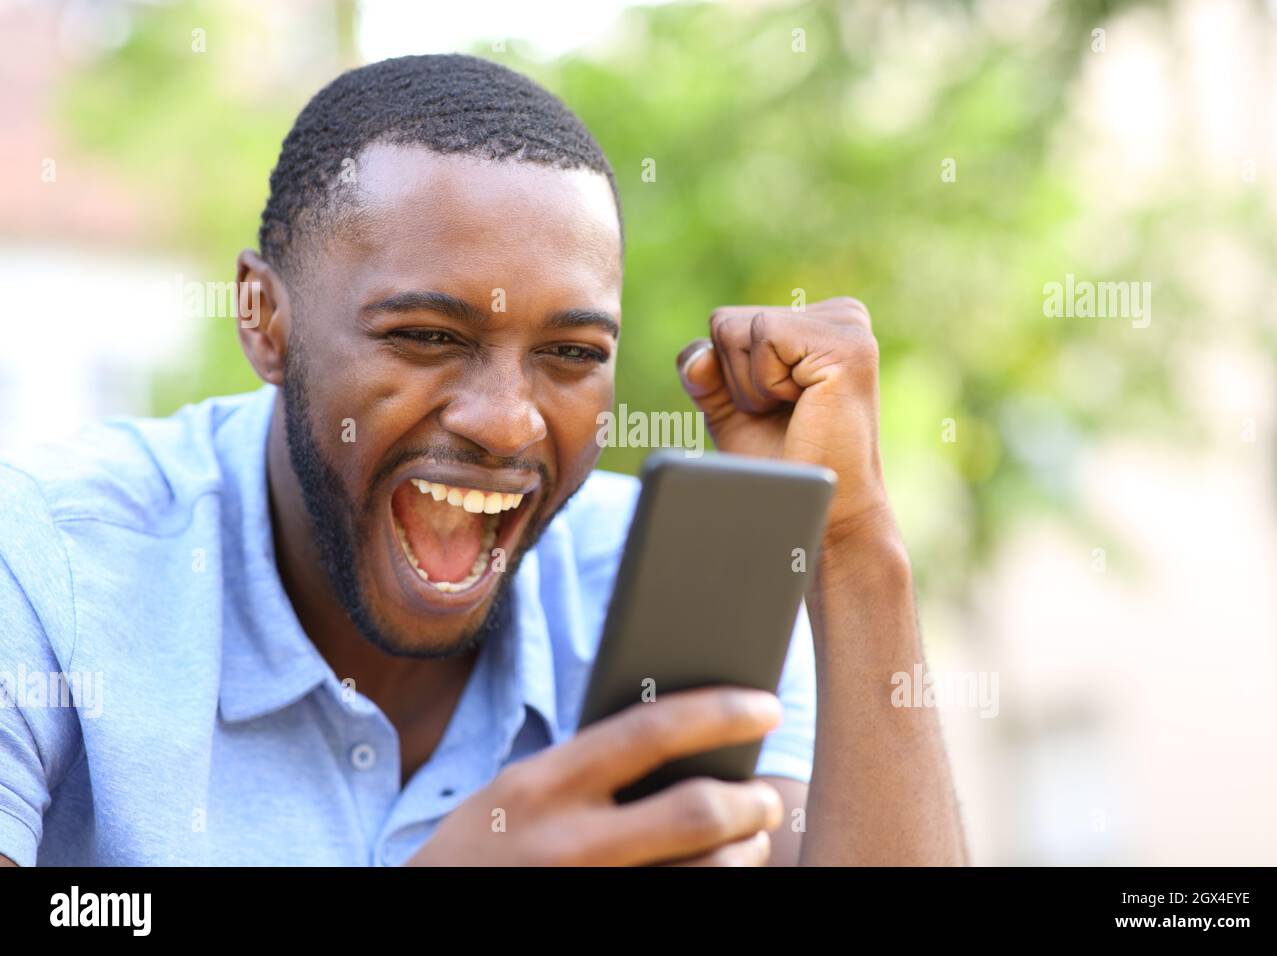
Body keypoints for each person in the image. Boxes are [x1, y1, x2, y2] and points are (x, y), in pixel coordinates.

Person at [0, 54, 965, 866]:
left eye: (572, 354)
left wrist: (848, 545)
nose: (507, 425)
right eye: (425, 335)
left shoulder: (664, 586)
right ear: (266, 319)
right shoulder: (49, 562)